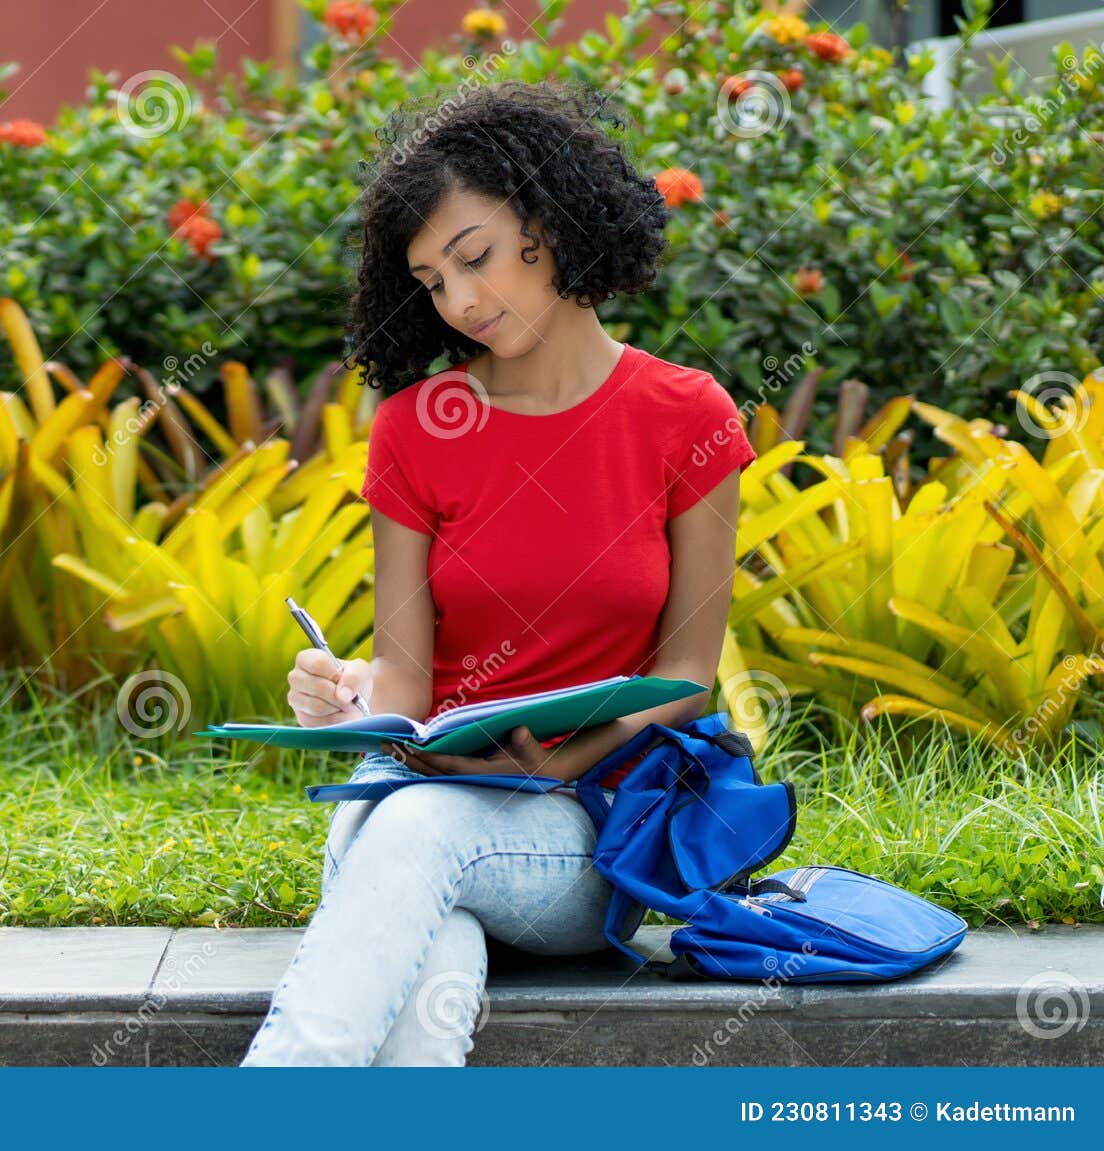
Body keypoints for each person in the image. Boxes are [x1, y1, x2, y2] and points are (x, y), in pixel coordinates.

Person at [238, 79, 755, 1067]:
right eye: (432, 281)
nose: (461, 300)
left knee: (409, 831)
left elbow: (690, 678)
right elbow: (404, 682)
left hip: (587, 824)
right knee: (428, 956)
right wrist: (345, 697)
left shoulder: (686, 417)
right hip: (419, 799)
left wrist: (557, 759)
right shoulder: (415, 431)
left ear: (548, 219)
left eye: (472, 257)